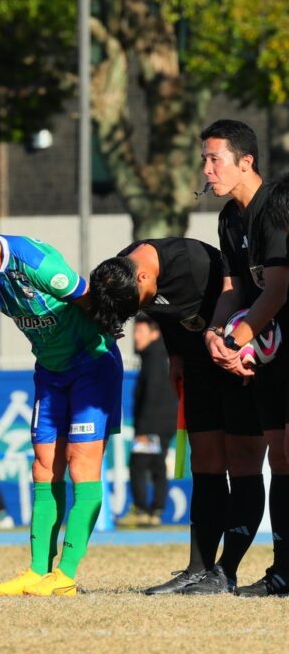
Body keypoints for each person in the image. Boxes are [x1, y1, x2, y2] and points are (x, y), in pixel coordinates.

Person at [0, 231, 119, 597]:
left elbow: (88, 297)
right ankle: (37, 570)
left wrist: (107, 327)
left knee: (81, 464)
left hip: (91, 364)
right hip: (49, 372)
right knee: (43, 467)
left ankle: (65, 575)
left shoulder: (34, 261)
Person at [88, 236, 250, 593]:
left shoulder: (195, 266)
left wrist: (233, 346)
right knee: (204, 461)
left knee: (241, 463)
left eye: (138, 305)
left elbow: (239, 299)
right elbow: (166, 315)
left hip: (235, 361)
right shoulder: (122, 268)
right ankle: (198, 568)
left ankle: (227, 571)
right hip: (196, 366)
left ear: (145, 278)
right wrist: (175, 353)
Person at [199, 121, 289, 597]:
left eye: (215, 159)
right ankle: (280, 572)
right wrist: (217, 333)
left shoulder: (275, 209)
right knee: (279, 452)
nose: (207, 170)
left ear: (246, 161)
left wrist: (238, 342)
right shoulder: (228, 219)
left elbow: (276, 291)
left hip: (272, 342)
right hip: (266, 349)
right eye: (205, 160)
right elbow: (237, 288)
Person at [126, 315, 176, 527]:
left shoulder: (155, 356)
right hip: (164, 421)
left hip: (152, 423)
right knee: (157, 465)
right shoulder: (159, 355)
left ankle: (143, 509)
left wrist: (143, 429)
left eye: (140, 332)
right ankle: (155, 509)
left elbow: (153, 394)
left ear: (154, 333)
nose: (135, 337)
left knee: (139, 464)